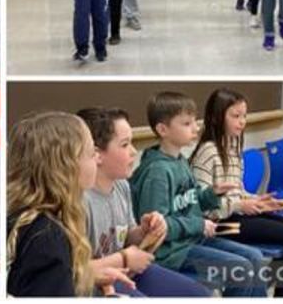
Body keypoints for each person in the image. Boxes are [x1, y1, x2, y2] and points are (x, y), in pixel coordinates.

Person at [131, 92, 268, 297]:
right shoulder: (157, 172)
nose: (195, 127)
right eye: (186, 123)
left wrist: (211, 195)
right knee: (240, 268)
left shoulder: (181, 161)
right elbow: (157, 228)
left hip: (191, 240)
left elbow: (192, 201)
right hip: (171, 253)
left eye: (194, 121)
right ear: (163, 129)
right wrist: (199, 224)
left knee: (254, 257)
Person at [190, 88, 283, 297]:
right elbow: (202, 206)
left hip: (238, 213)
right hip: (220, 223)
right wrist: (241, 205)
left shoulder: (232, 145)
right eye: (235, 116)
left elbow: (237, 191)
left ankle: (261, 286)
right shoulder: (207, 151)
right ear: (216, 117)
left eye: (244, 116)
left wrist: (258, 200)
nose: (242, 122)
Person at [77, 107, 212, 296]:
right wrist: (123, 259)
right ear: (97, 155)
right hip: (97, 283)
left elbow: (127, 236)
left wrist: (144, 231)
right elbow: (73, 271)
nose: (134, 151)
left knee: (200, 295)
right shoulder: (80, 201)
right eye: (125, 145)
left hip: (127, 269)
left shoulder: (122, 186)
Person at [6, 111, 98, 297]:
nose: (98, 157)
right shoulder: (47, 238)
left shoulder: (30, 219)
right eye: (91, 152)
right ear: (65, 167)